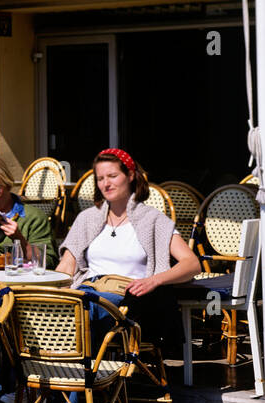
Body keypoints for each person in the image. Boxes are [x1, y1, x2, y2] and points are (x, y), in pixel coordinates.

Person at [56, 148, 201, 347]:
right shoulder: (87, 219)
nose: (105, 184)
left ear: (130, 176)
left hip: (127, 300)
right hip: (85, 291)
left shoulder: (152, 220)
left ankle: (75, 370)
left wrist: (154, 280)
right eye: (100, 179)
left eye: (112, 176)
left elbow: (192, 264)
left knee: (82, 310)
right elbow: (66, 267)